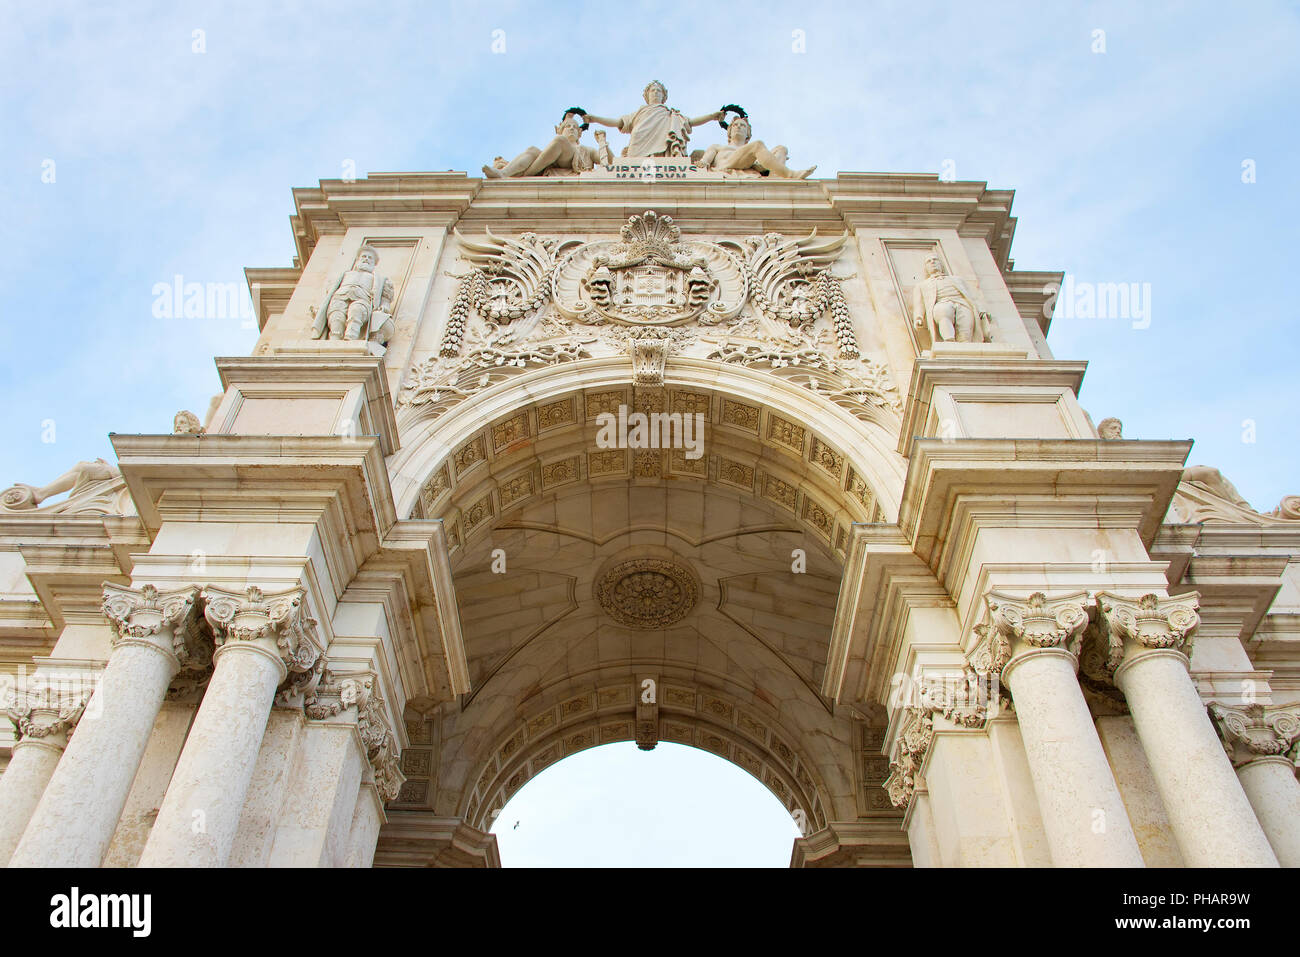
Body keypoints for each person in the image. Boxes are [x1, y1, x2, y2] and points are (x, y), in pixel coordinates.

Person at [582, 81, 723, 158]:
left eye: (658, 91)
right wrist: (594, 119)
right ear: (647, 95)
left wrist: (712, 117)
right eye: (652, 91)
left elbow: (691, 122)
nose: (655, 93)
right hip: (639, 143)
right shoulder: (639, 112)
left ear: (664, 96)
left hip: (663, 147)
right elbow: (618, 122)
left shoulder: (671, 114)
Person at [312, 244, 394, 345]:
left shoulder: (379, 279)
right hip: (339, 297)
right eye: (364, 256)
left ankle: (351, 340)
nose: (366, 259)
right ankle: (334, 341)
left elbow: (386, 296)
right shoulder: (345, 274)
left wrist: (384, 306)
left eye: (370, 258)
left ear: (374, 262)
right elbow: (330, 292)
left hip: (362, 299)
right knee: (336, 317)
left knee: (356, 312)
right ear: (358, 259)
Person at [482, 115, 613, 178]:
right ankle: (503, 173)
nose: (571, 129)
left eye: (575, 127)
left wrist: (602, 143)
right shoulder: (558, 141)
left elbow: (610, 163)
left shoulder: (586, 150)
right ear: (560, 129)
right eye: (568, 126)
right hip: (548, 164)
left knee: (560, 141)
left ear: (579, 133)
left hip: (558, 163)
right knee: (532, 150)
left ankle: (526, 173)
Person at [698, 115, 815, 179]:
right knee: (757, 145)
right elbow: (705, 161)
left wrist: (758, 166)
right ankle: (790, 174)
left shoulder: (751, 152)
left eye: (742, 126)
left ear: (748, 134)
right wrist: (703, 162)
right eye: (735, 125)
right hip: (725, 166)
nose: (738, 127)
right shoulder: (717, 147)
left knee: (781, 148)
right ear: (729, 131)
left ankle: (775, 178)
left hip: (747, 163)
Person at [912, 254, 993, 343]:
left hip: (963, 304)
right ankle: (949, 341)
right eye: (929, 261)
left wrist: (981, 310)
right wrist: (918, 317)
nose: (932, 262)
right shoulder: (922, 285)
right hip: (942, 303)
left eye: (935, 260)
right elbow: (919, 304)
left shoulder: (957, 279)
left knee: (965, 332)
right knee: (943, 312)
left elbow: (972, 296)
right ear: (926, 268)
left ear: (941, 264)